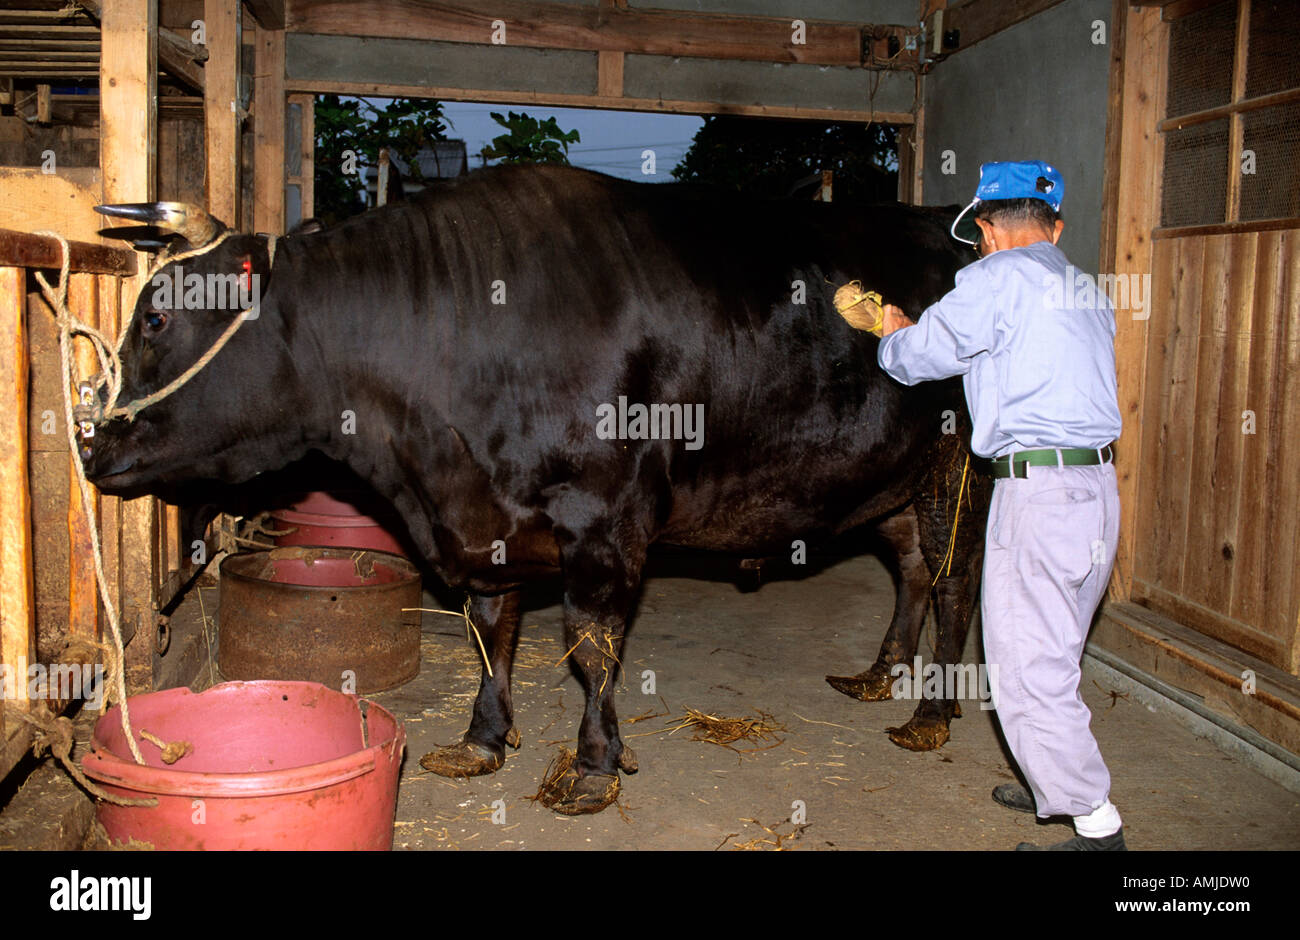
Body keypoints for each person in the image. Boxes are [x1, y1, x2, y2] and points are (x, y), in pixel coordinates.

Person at [876, 160, 1126, 851]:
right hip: (1097, 493)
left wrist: (893, 329)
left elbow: (915, 359)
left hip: (1038, 494)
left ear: (984, 229)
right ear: (1057, 226)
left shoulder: (992, 277)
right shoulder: (1085, 288)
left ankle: (1097, 831)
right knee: (1060, 652)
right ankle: (1060, 787)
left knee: (1023, 667)